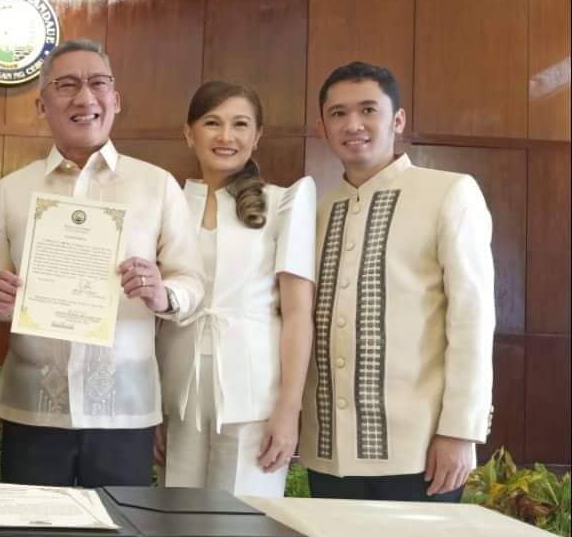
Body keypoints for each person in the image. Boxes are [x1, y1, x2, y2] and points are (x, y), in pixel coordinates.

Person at [0, 38, 204, 488]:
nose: (85, 97)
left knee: (121, 533)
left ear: (115, 99)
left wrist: (164, 293)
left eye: (98, 82)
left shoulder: (156, 186)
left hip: (124, 408)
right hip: (33, 408)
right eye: (66, 85)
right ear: (42, 105)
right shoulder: (12, 190)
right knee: (30, 536)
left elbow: (191, 281)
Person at [299, 61, 495, 501]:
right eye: (338, 113)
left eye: (369, 109)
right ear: (322, 127)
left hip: (421, 450)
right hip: (327, 450)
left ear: (398, 120)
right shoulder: (315, 211)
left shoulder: (449, 192)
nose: (354, 124)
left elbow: (473, 319)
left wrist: (460, 432)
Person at [157, 81, 316, 497]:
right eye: (212, 122)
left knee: (245, 523)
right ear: (189, 133)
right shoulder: (169, 202)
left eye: (240, 124)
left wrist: (288, 410)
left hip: (254, 391)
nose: (226, 136)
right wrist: (154, 407)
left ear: (257, 135)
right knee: (178, 518)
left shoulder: (282, 203)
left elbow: (298, 314)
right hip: (180, 390)